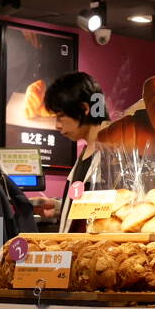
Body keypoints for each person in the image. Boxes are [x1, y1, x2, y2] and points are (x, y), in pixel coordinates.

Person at [28, 72, 110, 232]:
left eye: (60, 116)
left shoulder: (114, 155)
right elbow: (90, 204)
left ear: (84, 108)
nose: (57, 126)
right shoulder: (87, 151)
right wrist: (60, 207)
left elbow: (113, 211)